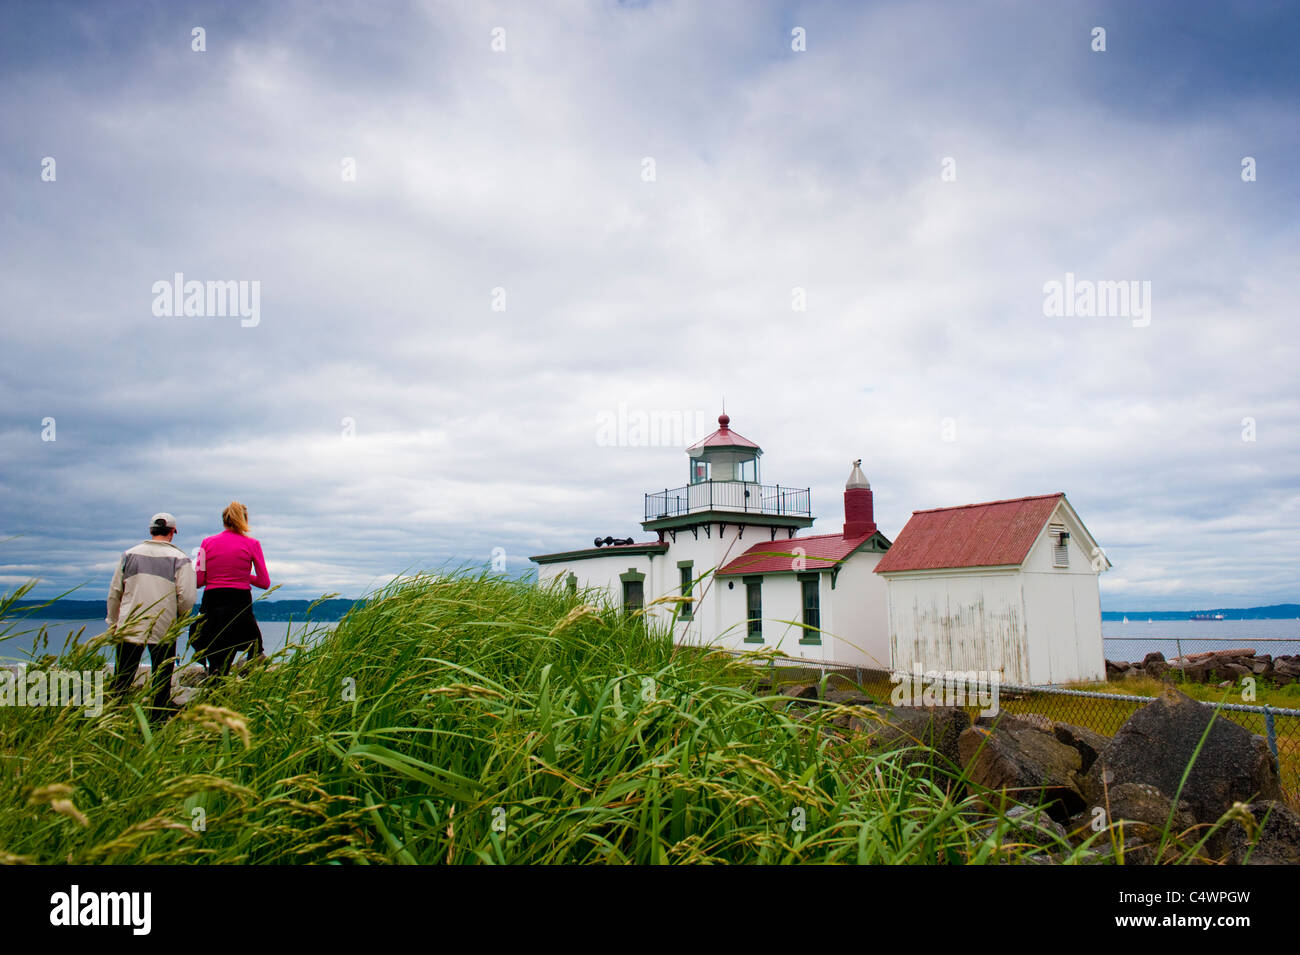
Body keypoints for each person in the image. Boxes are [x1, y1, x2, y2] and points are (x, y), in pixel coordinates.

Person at [107, 512, 197, 719]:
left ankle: (112, 716)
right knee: (162, 675)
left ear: (150, 531)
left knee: (123, 674)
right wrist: (180, 619)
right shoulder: (180, 559)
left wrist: (113, 621)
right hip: (164, 624)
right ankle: (157, 718)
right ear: (172, 532)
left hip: (131, 622)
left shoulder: (129, 555)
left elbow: (115, 593)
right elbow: (187, 598)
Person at [190, 501, 270, 677]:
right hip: (239, 601)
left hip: (213, 599)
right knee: (237, 642)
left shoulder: (206, 542)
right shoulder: (253, 544)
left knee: (214, 645)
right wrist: (242, 574)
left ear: (224, 521)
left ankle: (215, 677)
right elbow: (264, 582)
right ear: (244, 520)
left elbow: (198, 580)